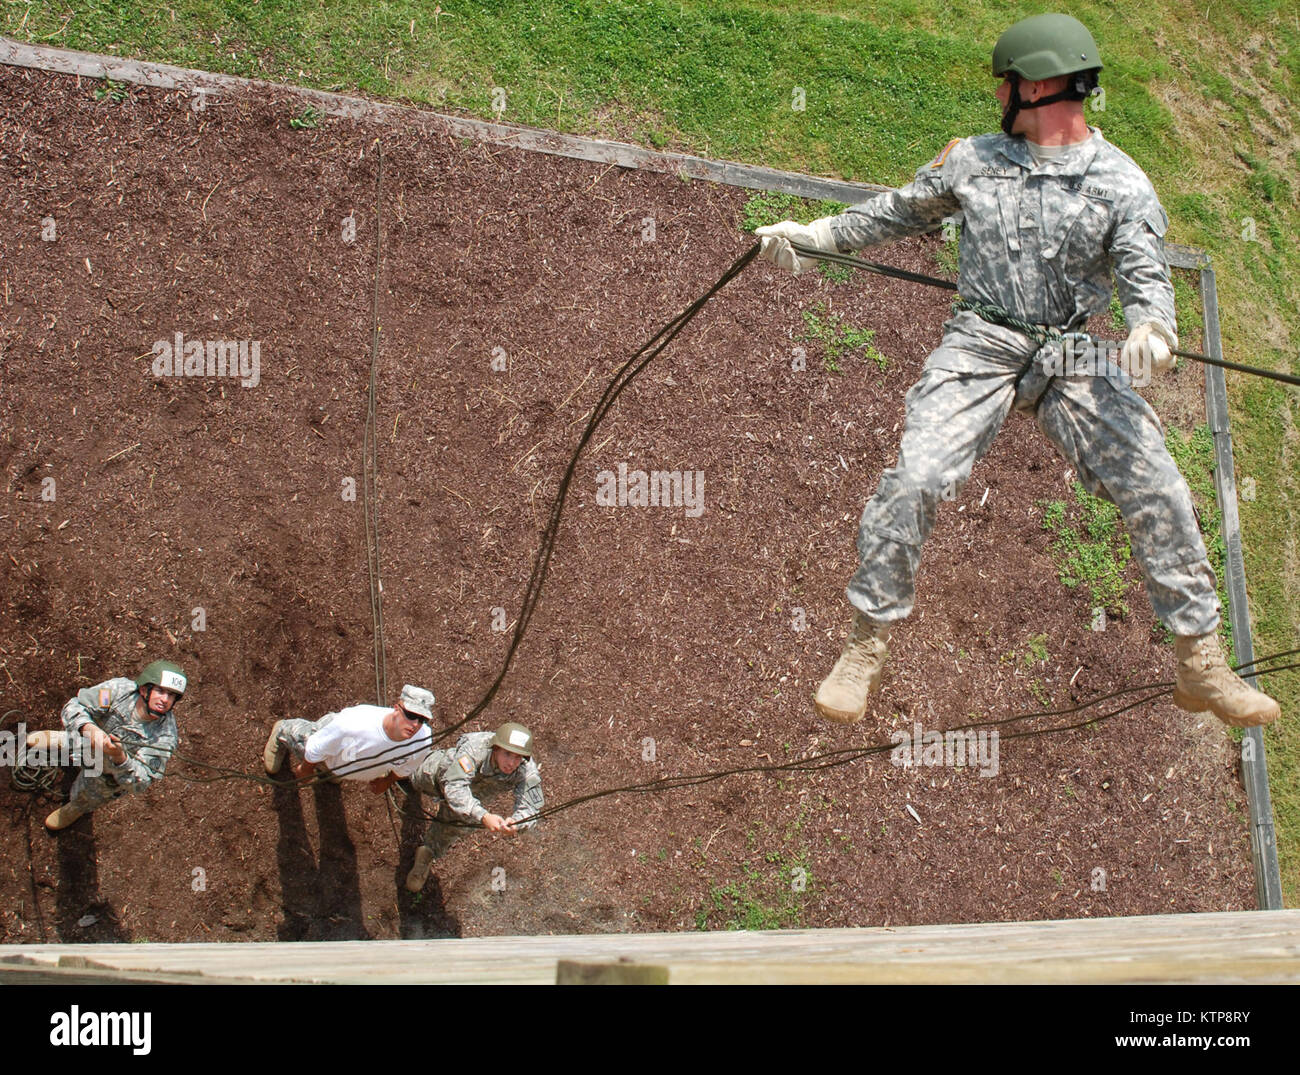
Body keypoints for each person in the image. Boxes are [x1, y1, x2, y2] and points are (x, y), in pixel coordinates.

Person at [756, 13, 1281, 730]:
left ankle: (1201, 660)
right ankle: (864, 645)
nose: (998, 96)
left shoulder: (1122, 182)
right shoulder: (973, 159)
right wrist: (816, 235)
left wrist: (1153, 330)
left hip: (1071, 353)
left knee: (1156, 481)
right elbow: (902, 210)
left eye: (1005, 84)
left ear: (1035, 87)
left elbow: (1144, 271)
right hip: (982, 343)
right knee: (916, 477)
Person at [26, 660, 188, 831]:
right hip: (85, 740)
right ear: (143, 689)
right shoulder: (118, 691)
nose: (165, 699)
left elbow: (140, 783)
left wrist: (120, 757)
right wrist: (88, 728)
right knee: (73, 736)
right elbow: (76, 706)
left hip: (106, 774)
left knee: (88, 797)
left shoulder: (164, 737)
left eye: (171, 695)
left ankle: (75, 808)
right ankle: (61, 740)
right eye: (160, 691)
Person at [403, 722, 543, 892]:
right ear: (496, 748)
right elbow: (454, 786)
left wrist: (516, 823)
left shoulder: (526, 769)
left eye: (518, 757)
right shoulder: (475, 748)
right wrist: (483, 815)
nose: (512, 763)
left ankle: (426, 854)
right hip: (439, 775)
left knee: (452, 829)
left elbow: (531, 808)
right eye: (507, 754)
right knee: (410, 775)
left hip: (470, 802)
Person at [263, 684, 434, 792]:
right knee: (305, 741)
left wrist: (387, 782)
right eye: (411, 715)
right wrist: (305, 770)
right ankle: (282, 730)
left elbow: (407, 766)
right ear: (397, 708)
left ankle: (331, 770)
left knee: (335, 761)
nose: (415, 724)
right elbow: (316, 746)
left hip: (345, 758)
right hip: (328, 735)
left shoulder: (423, 740)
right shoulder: (353, 723)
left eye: (422, 719)